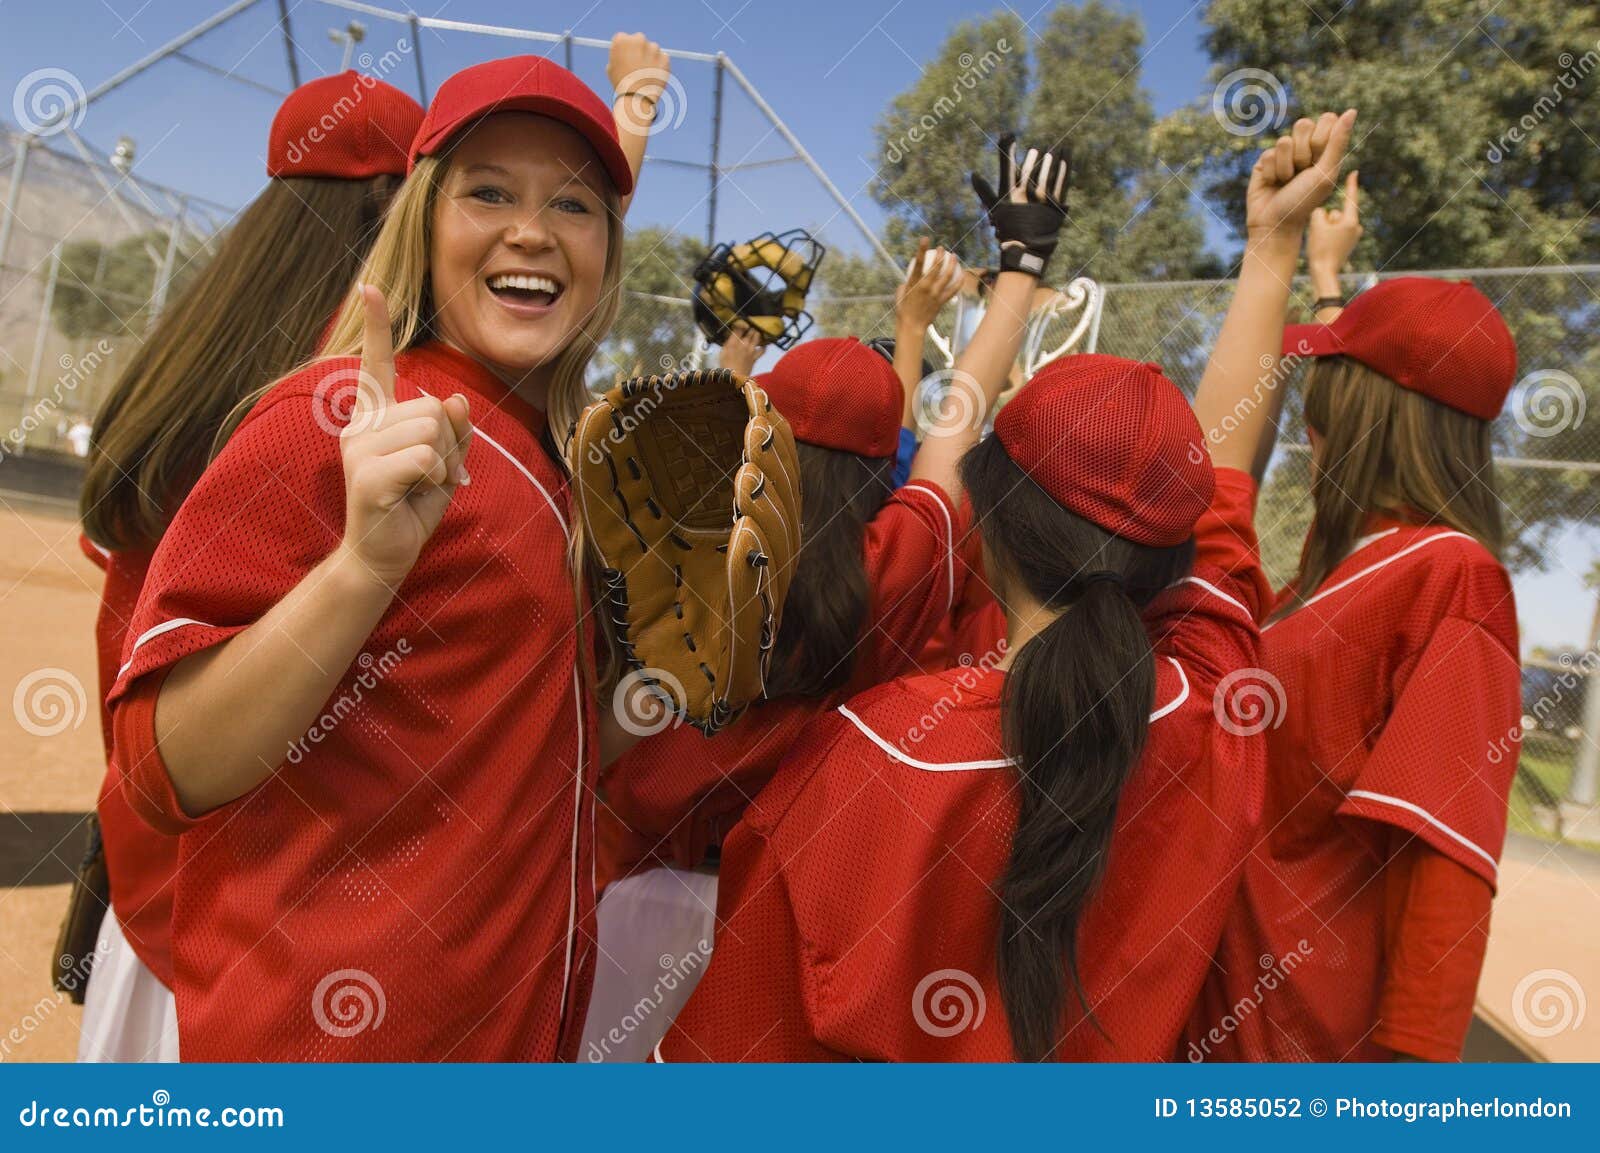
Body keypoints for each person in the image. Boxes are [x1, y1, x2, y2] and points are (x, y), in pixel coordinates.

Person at [655, 111, 1357, 1062]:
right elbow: (1224, 480)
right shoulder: (1216, 703)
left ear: (992, 523)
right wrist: (1272, 250)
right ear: (1172, 559)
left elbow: (726, 1056)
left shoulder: (864, 752)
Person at [103, 54, 644, 1061]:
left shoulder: (545, 452)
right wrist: (360, 569)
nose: (532, 229)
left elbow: (525, 755)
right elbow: (159, 765)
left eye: (574, 206)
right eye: (487, 191)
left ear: (608, 254)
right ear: (423, 225)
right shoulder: (338, 414)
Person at [580, 140, 1070, 1058]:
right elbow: (958, 415)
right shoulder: (896, 563)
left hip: (636, 887)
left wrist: (738, 352)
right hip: (786, 914)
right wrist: (1020, 269)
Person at [75, 70, 425, 1063]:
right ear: (396, 203)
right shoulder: (346, 386)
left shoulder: (189, 345)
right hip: (254, 929)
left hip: (144, 877)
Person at [1189, 166, 1521, 1063]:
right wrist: (1315, 266)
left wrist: (1406, 1091)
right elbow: (1229, 495)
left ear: (1359, 414)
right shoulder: (1339, 572)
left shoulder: (1453, 576)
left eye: (1323, 398)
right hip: (1226, 1012)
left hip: (1302, 1047)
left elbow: (1443, 859)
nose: (1306, 424)